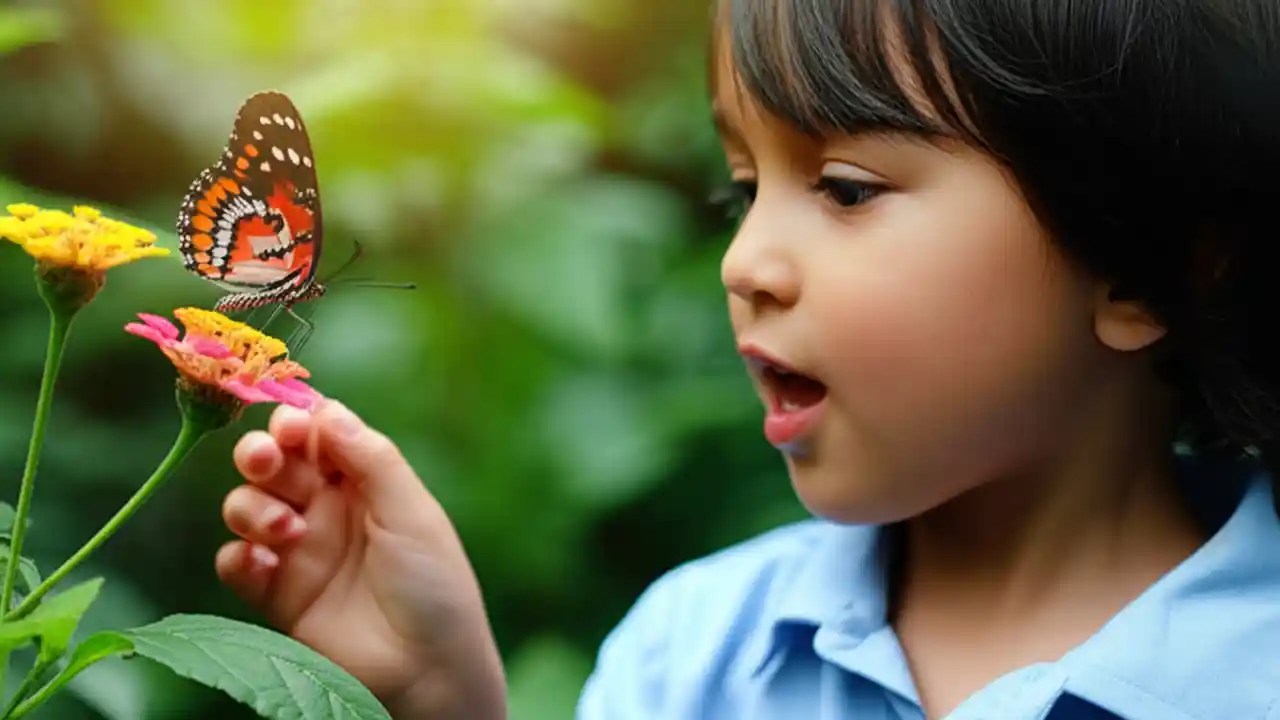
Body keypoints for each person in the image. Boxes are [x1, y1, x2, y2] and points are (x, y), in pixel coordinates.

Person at [214, 0, 1280, 717]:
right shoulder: (694, 652)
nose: (745, 260)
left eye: (845, 188)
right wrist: (448, 700)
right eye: (740, 188)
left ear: (1141, 268)